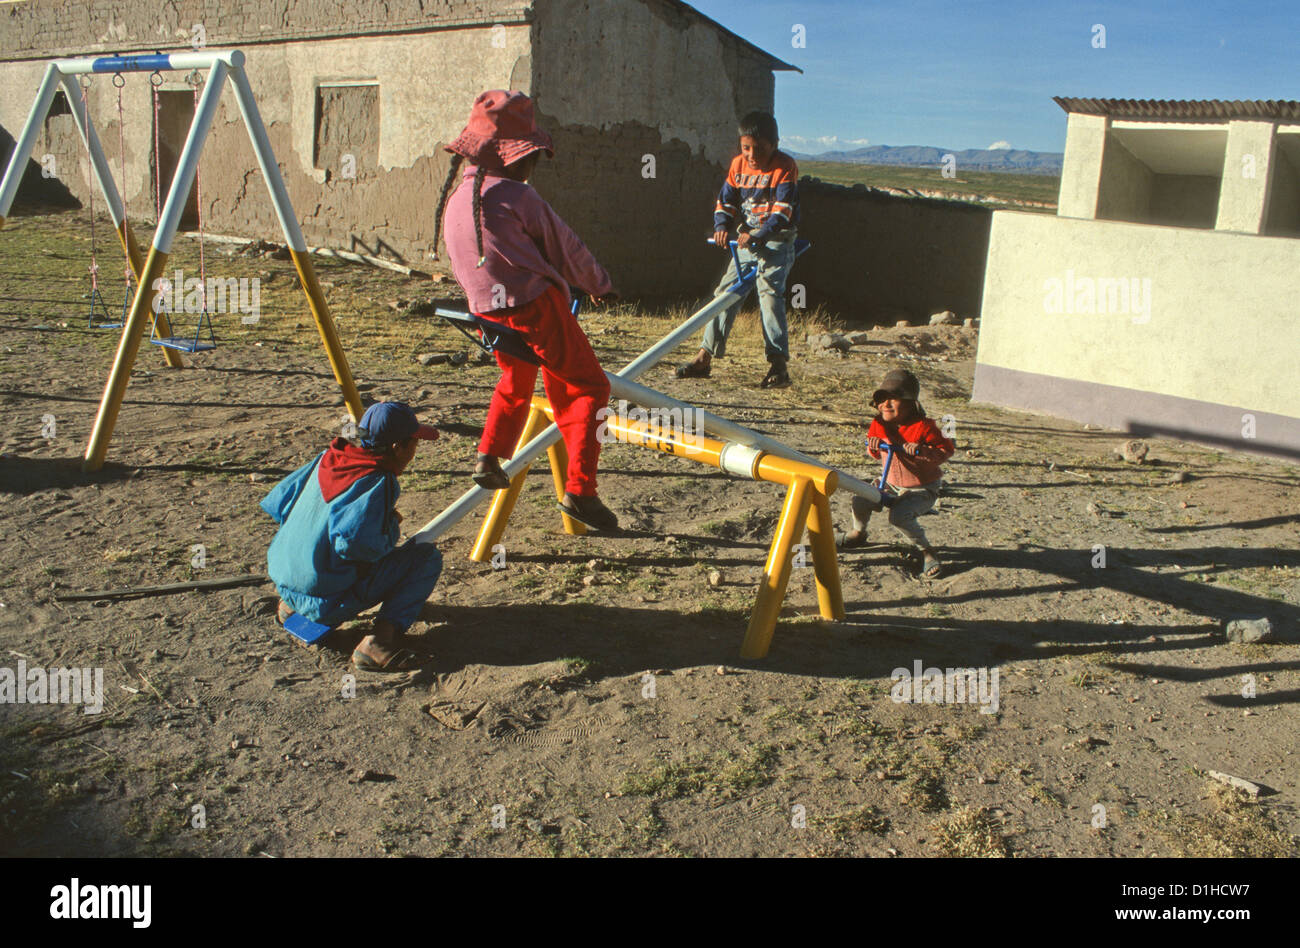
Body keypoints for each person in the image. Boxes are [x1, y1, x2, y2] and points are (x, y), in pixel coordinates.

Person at [432, 90, 620, 532]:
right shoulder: (518, 196)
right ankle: (580, 491)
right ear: (517, 158)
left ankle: (489, 454)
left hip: (487, 311)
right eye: (532, 157)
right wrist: (600, 285)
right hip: (535, 308)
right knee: (588, 389)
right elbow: (565, 247)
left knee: (516, 380)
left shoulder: (457, 199)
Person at [261, 401, 443, 672]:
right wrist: (390, 527)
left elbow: (277, 504)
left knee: (325, 557)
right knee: (425, 558)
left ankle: (292, 606)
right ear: (397, 447)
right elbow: (358, 546)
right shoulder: (376, 480)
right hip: (326, 602)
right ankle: (378, 642)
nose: (414, 451)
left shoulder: (328, 458)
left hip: (284, 585)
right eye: (414, 443)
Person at [676, 110, 800, 388]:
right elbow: (727, 201)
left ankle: (778, 365)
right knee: (726, 293)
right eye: (746, 148)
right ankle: (704, 356)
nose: (752, 155)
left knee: (769, 295)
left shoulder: (784, 167)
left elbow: (782, 213)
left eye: (760, 149)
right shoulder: (738, 166)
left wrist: (760, 234)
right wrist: (721, 225)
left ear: (775, 144)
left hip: (777, 241)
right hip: (747, 241)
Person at [840, 369, 955, 578]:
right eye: (882, 399)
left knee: (899, 517)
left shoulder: (925, 427)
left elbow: (945, 451)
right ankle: (858, 533)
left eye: (894, 398)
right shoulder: (878, 423)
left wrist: (922, 451)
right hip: (890, 483)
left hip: (921, 488)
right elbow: (874, 452)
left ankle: (927, 551)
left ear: (912, 403)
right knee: (860, 500)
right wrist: (874, 446)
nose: (886, 404)